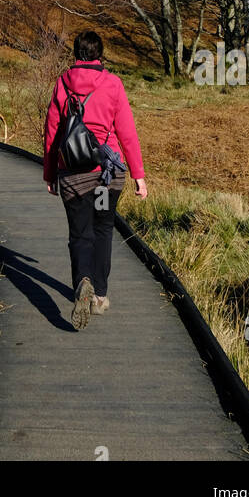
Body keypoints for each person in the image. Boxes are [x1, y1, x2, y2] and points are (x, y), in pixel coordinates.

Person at [43, 29, 148, 331]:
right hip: (106, 176)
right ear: (100, 56)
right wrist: (139, 175)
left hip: (74, 176)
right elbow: (127, 132)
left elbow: (52, 134)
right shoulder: (113, 84)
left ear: (75, 55)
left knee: (80, 234)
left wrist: (50, 174)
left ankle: (82, 283)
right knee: (102, 228)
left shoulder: (63, 84)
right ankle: (99, 296)